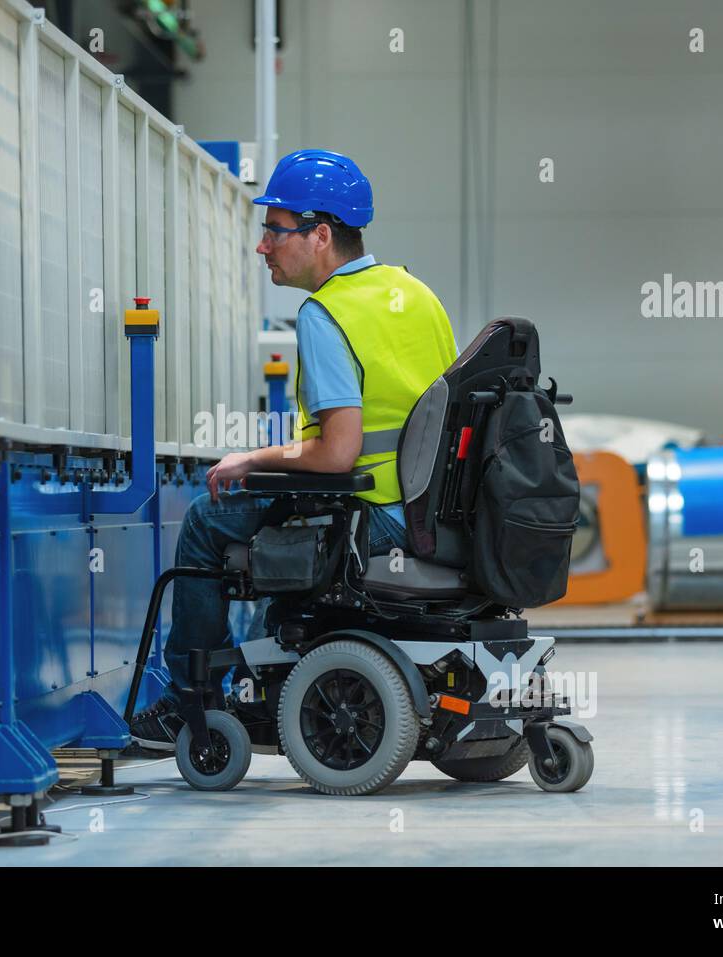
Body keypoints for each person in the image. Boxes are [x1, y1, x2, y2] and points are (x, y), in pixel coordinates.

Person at [129, 149, 458, 750]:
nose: (263, 247)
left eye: (275, 230)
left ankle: (188, 705)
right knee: (272, 513)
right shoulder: (417, 295)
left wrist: (251, 460)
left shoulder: (326, 312)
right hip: (430, 512)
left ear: (321, 234)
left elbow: (338, 454)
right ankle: (261, 676)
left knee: (207, 520)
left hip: (375, 512)